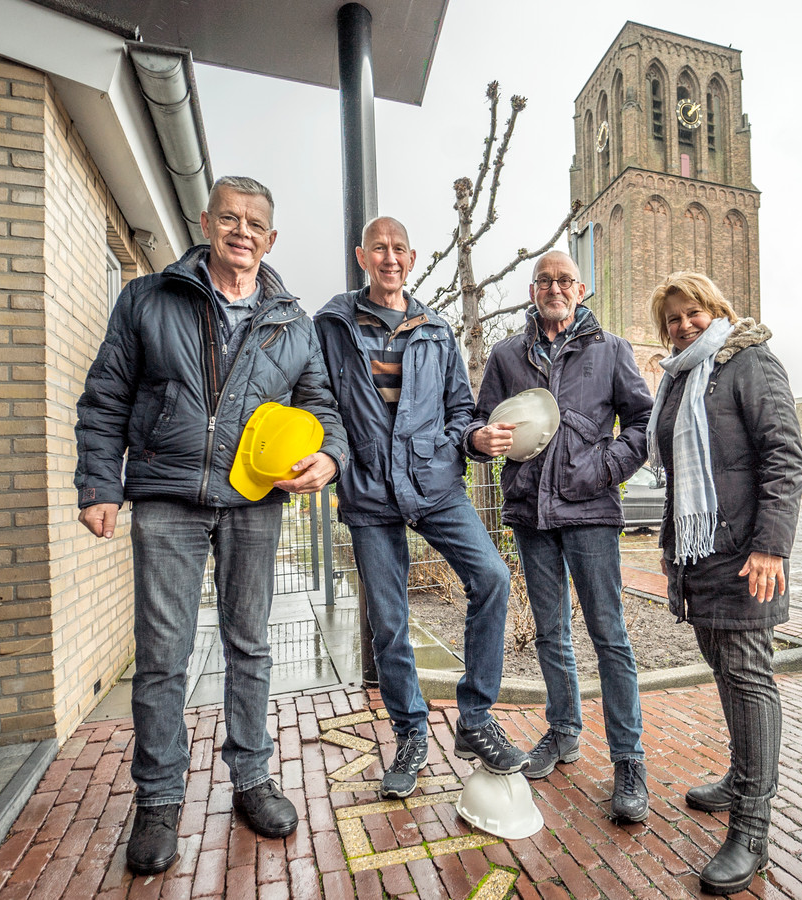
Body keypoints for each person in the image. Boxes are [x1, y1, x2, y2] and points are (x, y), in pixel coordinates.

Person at [75, 176, 349, 876]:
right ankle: (160, 797)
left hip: (254, 502)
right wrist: (100, 482)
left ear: (271, 237)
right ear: (206, 222)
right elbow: (106, 395)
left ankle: (252, 778)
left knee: (250, 645)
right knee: (163, 653)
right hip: (167, 495)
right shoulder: (148, 298)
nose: (241, 231)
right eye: (229, 217)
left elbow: (323, 407)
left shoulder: (293, 321)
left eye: (255, 222)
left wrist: (328, 455)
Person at [314, 217, 527, 796]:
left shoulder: (436, 330)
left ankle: (475, 719)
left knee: (491, 577)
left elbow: (462, 408)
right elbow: (319, 399)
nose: (389, 258)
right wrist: (333, 455)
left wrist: (472, 439)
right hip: (369, 491)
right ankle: (411, 734)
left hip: (434, 484)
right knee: (388, 622)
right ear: (362, 255)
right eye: (379, 248)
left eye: (399, 249)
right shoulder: (331, 325)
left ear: (411, 258)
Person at [466, 251, 654, 823]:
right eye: (545, 280)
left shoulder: (612, 350)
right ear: (532, 289)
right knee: (551, 631)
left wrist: (600, 468)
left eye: (564, 281)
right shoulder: (505, 354)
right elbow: (480, 420)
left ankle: (628, 758)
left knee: (609, 634)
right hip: (531, 514)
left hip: (591, 509)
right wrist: (483, 439)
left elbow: (643, 425)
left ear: (580, 290)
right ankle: (564, 730)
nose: (554, 288)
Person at [646, 272, 802, 895]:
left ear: (717, 310)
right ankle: (741, 780)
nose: (682, 326)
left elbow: (784, 458)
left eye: (691, 314)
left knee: (749, 681)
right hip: (699, 557)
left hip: (743, 557)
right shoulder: (683, 376)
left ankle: (752, 829)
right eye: (671, 321)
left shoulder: (751, 364)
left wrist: (770, 546)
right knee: (726, 674)